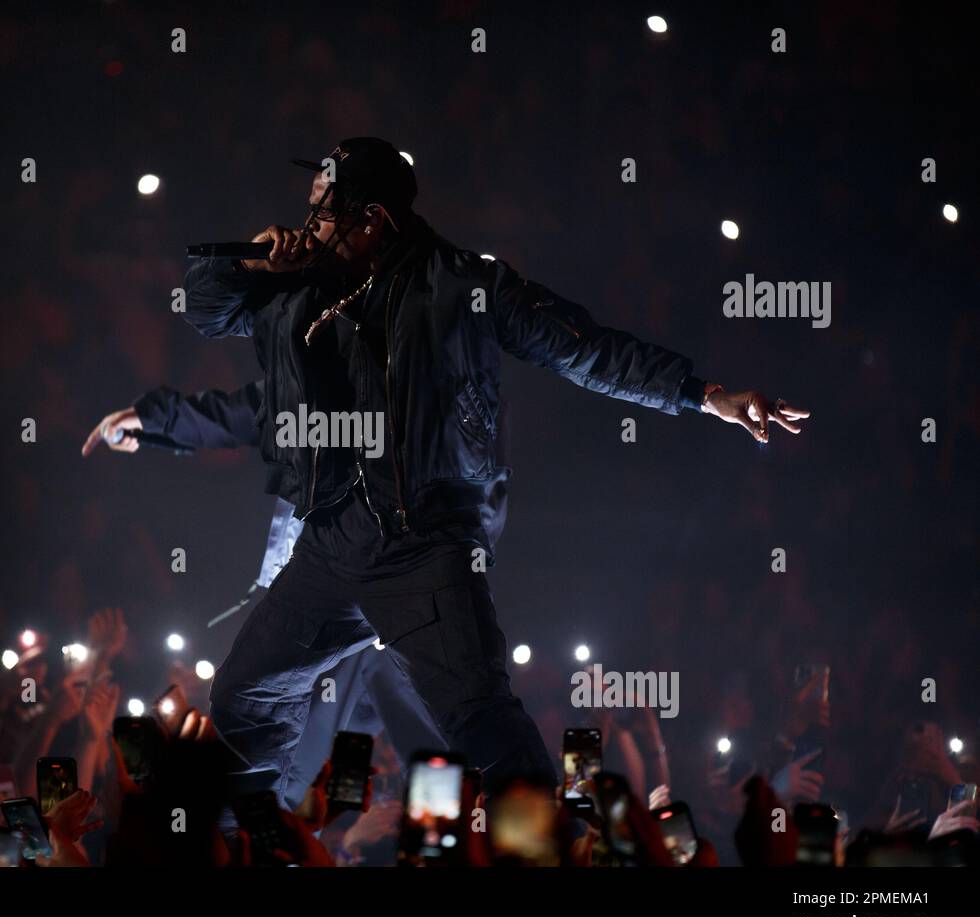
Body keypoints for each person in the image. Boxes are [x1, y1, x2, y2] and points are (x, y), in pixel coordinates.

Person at [172, 136, 810, 803]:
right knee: (244, 695)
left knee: (479, 717)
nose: (310, 227)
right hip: (330, 545)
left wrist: (705, 395)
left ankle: (538, 846)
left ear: (373, 221)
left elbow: (583, 349)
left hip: (422, 546)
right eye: (310, 210)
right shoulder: (300, 284)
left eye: (326, 214)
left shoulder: (460, 283)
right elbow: (202, 311)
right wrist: (250, 266)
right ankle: (248, 842)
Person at [83, 380, 453, 809]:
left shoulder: (402, 364)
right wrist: (152, 419)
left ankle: (450, 824)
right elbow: (257, 408)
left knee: (295, 757)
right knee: (295, 768)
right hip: (328, 591)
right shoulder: (312, 355)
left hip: (371, 584)